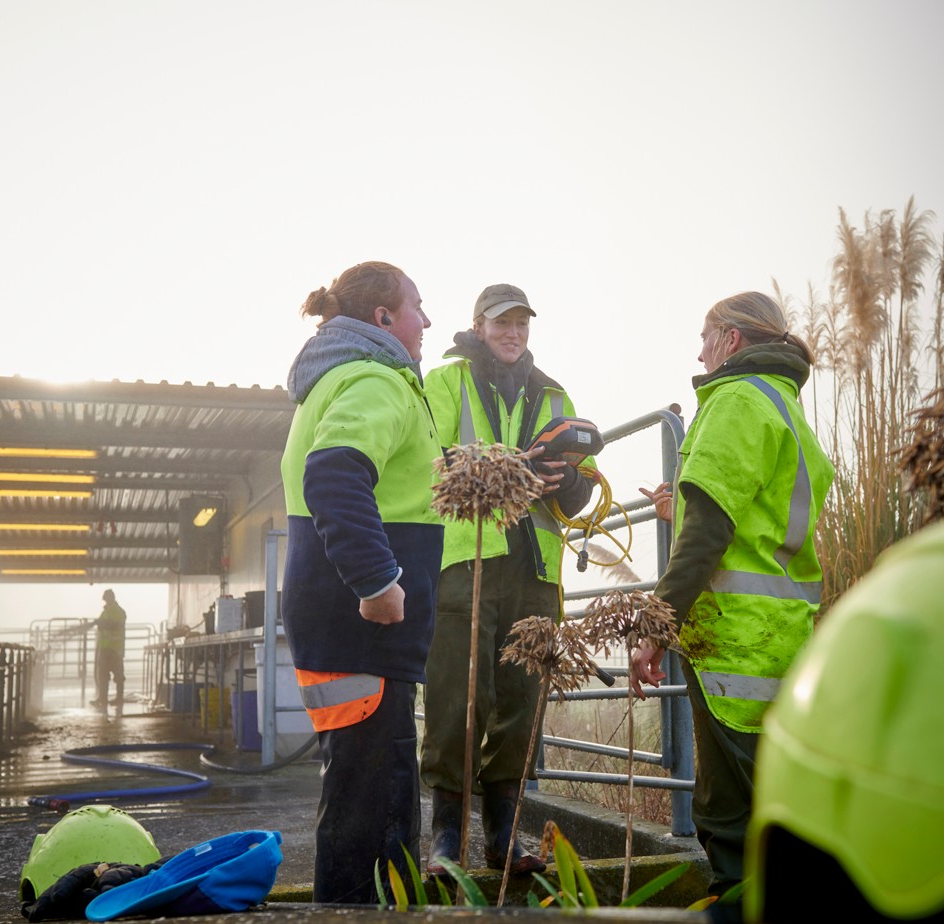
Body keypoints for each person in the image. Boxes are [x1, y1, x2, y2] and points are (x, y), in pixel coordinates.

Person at [630, 291, 833, 899]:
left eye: (706, 335)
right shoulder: (786, 408)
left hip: (731, 640)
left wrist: (655, 625)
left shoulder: (736, 400)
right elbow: (758, 520)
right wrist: (682, 503)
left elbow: (710, 536)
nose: (699, 350)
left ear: (732, 341)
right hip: (782, 636)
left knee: (727, 813)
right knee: (773, 800)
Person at [419, 283, 597, 875]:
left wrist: (569, 485)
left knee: (522, 703)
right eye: (502, 322)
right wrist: (497, 470)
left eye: (521, 322)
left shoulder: (555, 394)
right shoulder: (444, 383)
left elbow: (588, 481)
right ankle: (446, 840)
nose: (513, 332)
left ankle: (503, 838)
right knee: (456, 698)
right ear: (478, 326)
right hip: (465, 562)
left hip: (536, 570)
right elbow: (422, 457)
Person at [279, 261, 442, 904]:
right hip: (364, 629)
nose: (427, 321)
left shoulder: (339, 379)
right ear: (383, 319)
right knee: (373, 812)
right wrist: (377, 581)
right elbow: (335, 476)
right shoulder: (377, 380)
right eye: (418, 306)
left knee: (360, 795)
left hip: (347, 631)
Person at [89, 589, 126, 715]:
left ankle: (119, 698)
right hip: (105, 648)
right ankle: (102, 698)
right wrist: (99, 623)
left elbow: (115, 625)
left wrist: (102, 623)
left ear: (111, 598)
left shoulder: (120, 612)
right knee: (103, 675)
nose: (105, 601)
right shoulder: (105, 612)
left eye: (106, 598)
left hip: (115, 649)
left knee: (118, 676)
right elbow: (102, 624)